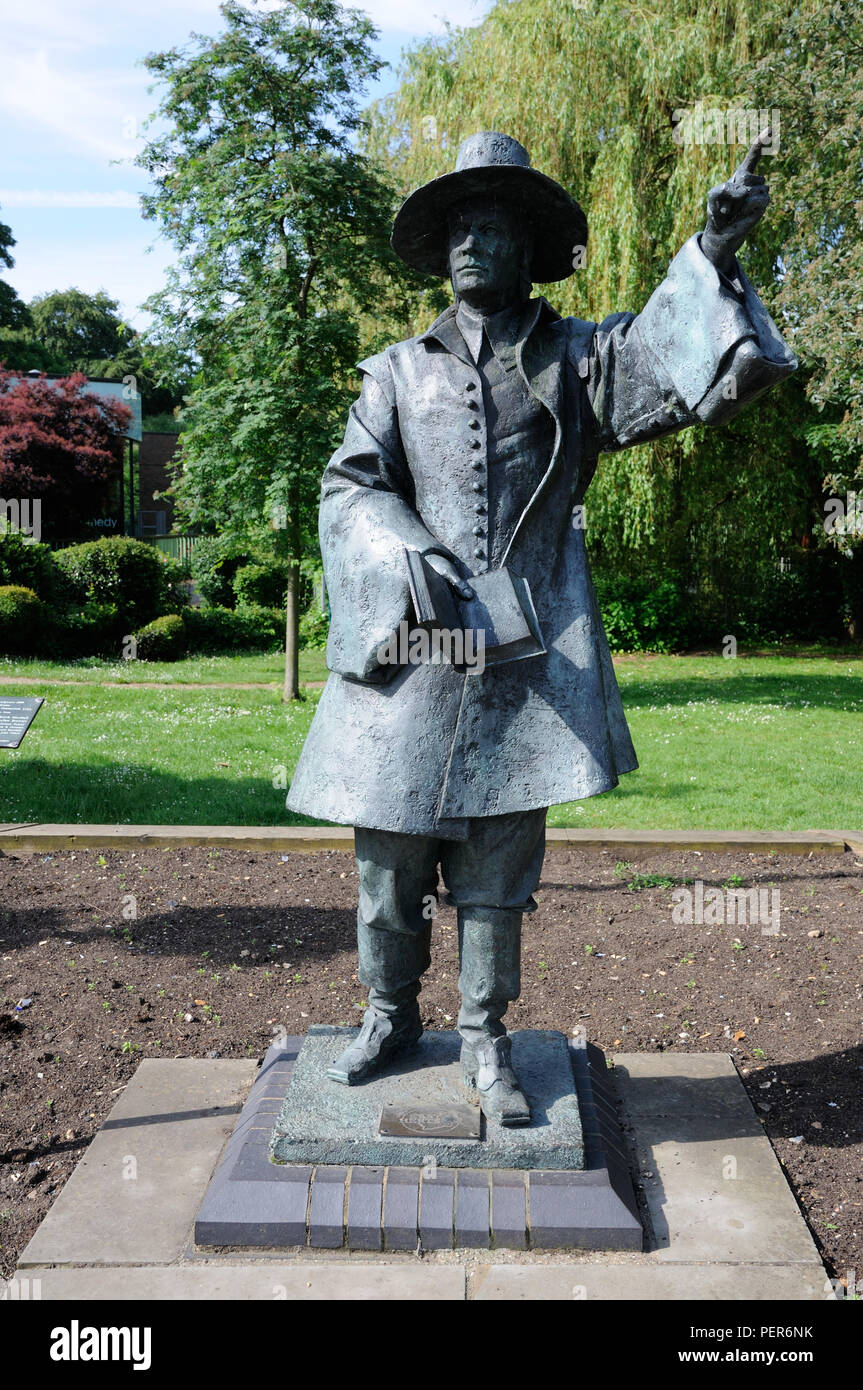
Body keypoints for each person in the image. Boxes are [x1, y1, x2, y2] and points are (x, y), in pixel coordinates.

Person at [287, 130, 796, 1124]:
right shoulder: (393, 372)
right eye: (461, 227)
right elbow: (348, 487)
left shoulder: (576, 357)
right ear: (441, 251)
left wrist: (711, 251)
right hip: (411, 654)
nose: (475, 241)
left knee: (495, 868)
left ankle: (484, 1037)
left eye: (496, 227)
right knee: (386, 867)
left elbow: (664, 356)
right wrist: (399, 551)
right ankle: (387, 1012)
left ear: (531, 248)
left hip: (525, 658)